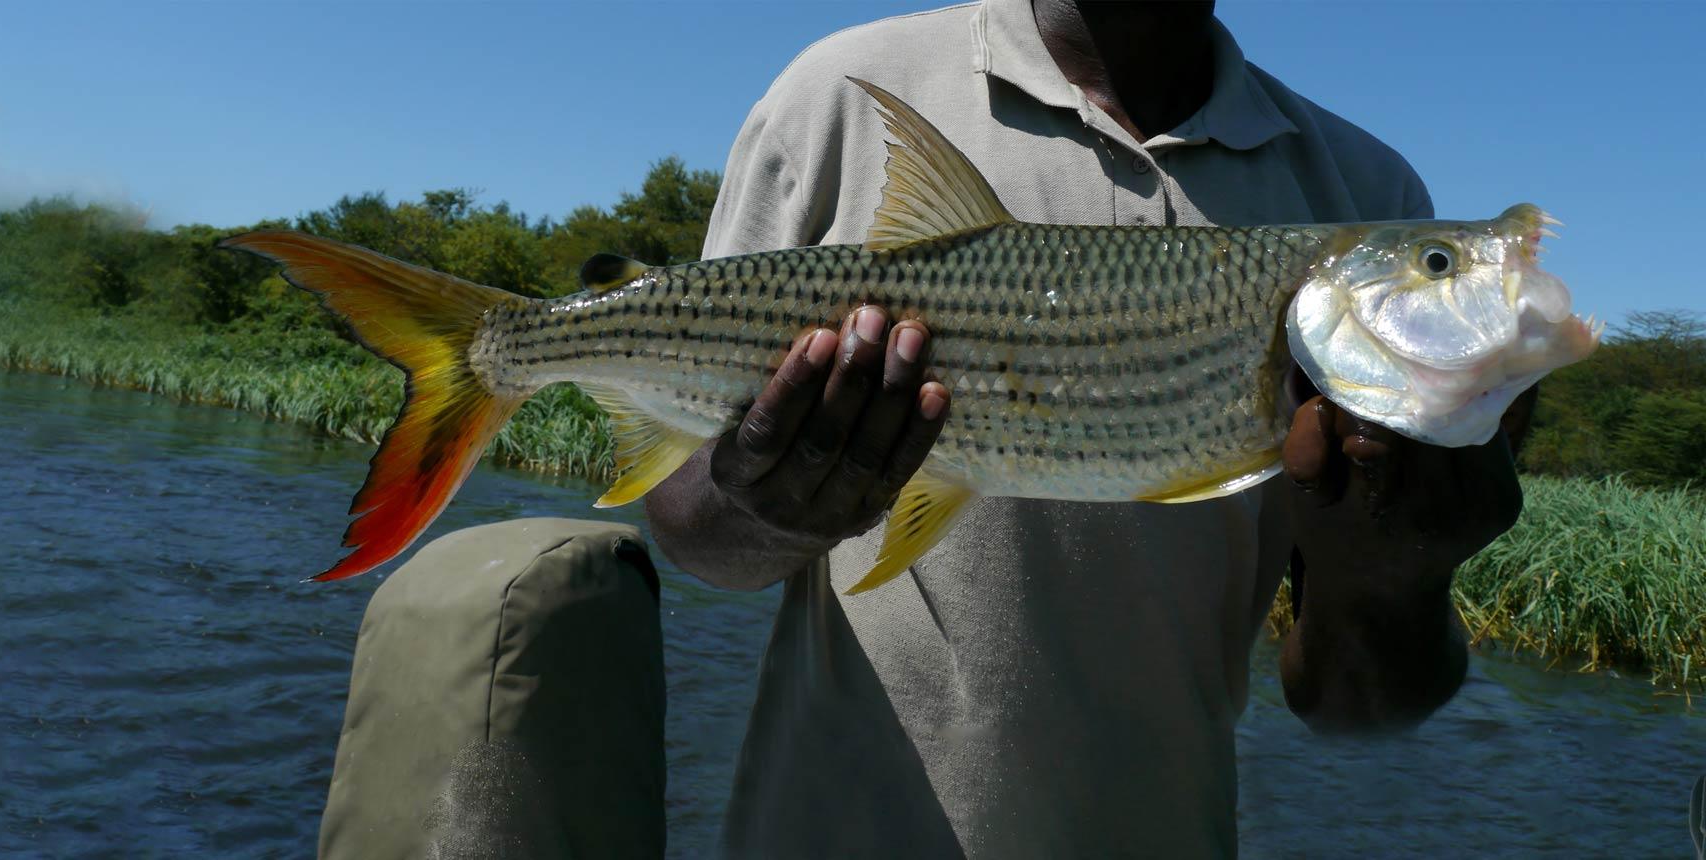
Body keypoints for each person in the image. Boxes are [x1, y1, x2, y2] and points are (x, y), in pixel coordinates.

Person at [644, 1, 1531, 856]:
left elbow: (1356, 710)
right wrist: (764, 506)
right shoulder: (839, 92)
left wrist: (1391, 577)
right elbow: (691, 533)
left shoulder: (1370, 199)